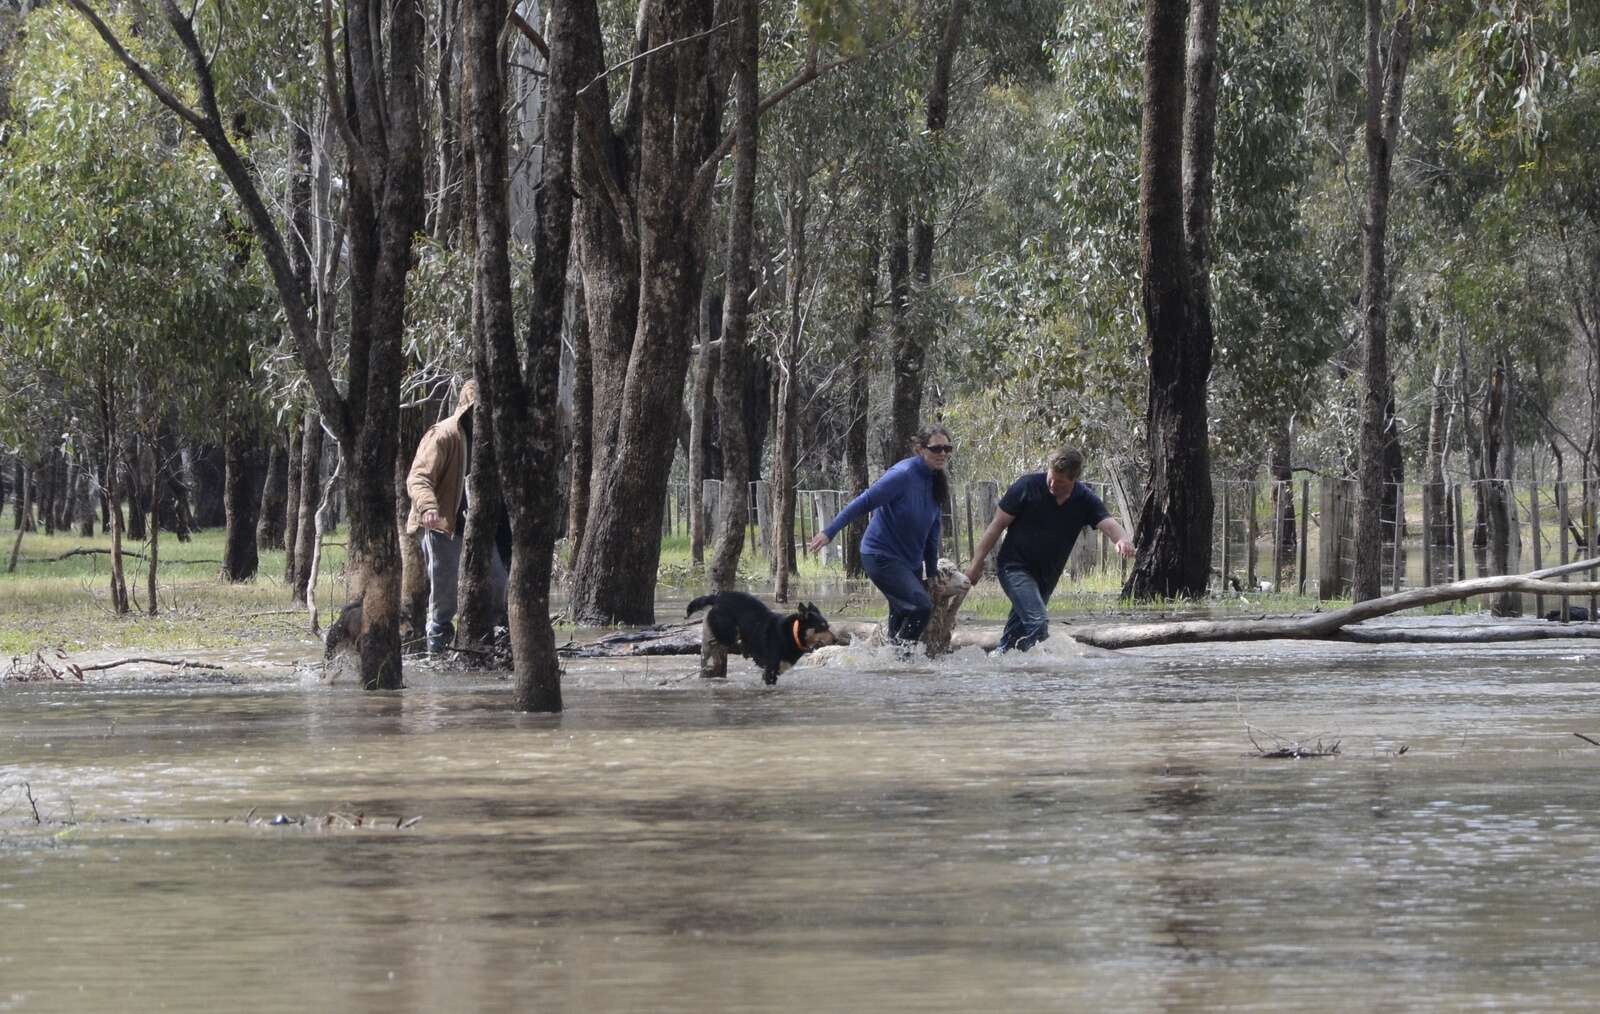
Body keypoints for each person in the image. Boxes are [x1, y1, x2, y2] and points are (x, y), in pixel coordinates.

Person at [964, 447, 1135, 653]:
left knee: (1015, 638)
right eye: (1051, 477)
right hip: (1014, 568)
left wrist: (1122, 540)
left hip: (1047, 576)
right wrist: (976, 564)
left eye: (1060, 482)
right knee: (1038, 622)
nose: (1053, 484)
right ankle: (1048, 675)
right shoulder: (1026, 487)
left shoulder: (1084, 498)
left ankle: (998, 665)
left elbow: (1108, 524)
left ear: (1073, 480)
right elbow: (995, 527)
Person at [806, 425, 952, 649]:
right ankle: (903, 660)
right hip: (880, 556)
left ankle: (890, 666)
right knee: (922, 606)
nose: (942, 453)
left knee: (903, 612)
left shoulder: (936, 483)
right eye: (936, 448)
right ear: (920, 449)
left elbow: (932, 534)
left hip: (910, 562)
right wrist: (830, 531)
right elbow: (864, 502)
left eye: (947, 448)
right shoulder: (902, 475)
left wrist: (931, 574)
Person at [405, 380, 507, 653]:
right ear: (468, 407)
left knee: (499, 585)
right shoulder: (444, 435)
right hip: (442, 527)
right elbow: (418, 477)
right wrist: (428, 508)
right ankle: (436, 654)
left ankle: (495, 648)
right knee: (444, 602)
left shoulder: (493, 436)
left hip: (479, 528)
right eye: (478, 408)